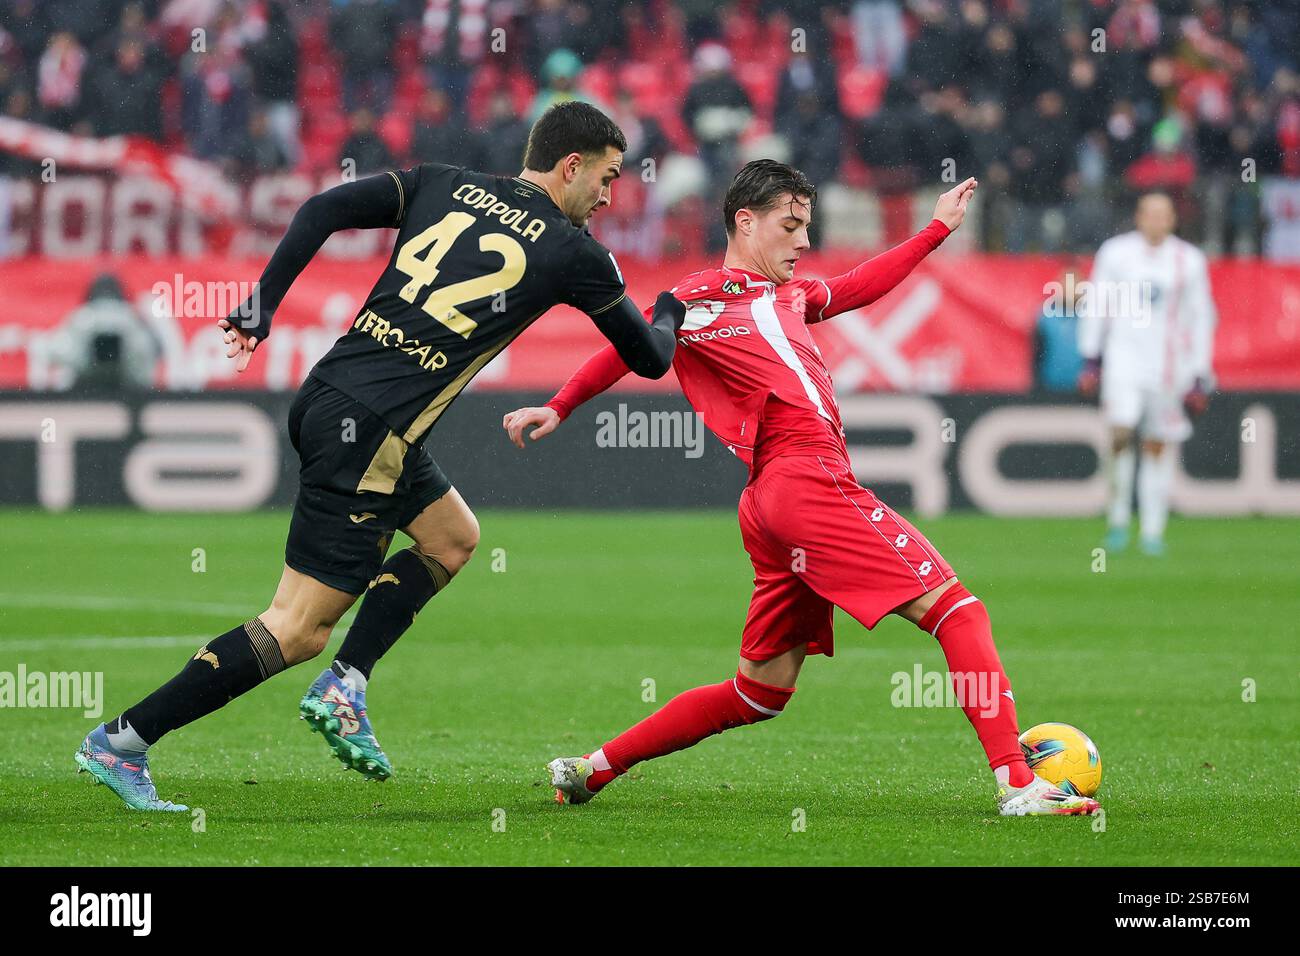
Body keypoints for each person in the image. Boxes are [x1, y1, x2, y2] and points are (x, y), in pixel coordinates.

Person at [75, 102, 685, 811]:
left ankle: (348, 683)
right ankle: (124, 740)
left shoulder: (441, 181)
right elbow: (648, 357)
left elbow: (321, 209)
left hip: (330, 396)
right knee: (296, 627)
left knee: (453, 537)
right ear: (570, 165)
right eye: (606, 178)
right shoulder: (574, 251)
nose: (610, 196)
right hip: (374, 433)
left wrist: (262, 306)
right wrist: (671, 306)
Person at [503, 160, 1101, 817]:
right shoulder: (700, 294)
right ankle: (1019, 784)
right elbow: (632, 345)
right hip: (804, 477)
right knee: (959, 612)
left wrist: (935, 230)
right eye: (790, 226)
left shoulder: (793, 297)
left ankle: (591, 768)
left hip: (772, 502)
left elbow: (858, 286)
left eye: (807, 227)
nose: (802, 241)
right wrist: (559, 405)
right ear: (745, 220)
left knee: (761, 691)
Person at [1077, 192, 1217, 556]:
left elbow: (1201, 316)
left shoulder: (1189, 259)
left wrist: (1200, 371)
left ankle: (1153, 528)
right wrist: (1091, 356)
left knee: (1157, 444)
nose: (1156, 221)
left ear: (1173, 219)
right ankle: (1118, 519)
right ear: (1139, 217)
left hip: (1169, 365)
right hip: (1123, 358)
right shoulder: (1115, 253)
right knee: (1120, 434)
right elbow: (1097, 304)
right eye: (1150, 214)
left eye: (1163, 215)